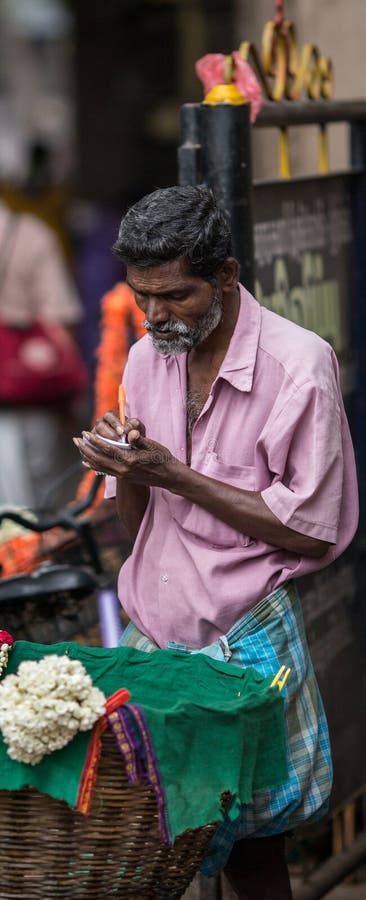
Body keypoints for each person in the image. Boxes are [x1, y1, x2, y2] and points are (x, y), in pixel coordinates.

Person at [74, 185, 359, 900]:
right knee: (145, 848)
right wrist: (127, 460)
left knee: (253, 852)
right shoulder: (147, 359)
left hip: (245, 638)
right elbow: (138, 526)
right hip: (157, 635)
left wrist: (174, 473)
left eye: (174, 296)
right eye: (142, 298)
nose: (155, 316)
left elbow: (310, 526)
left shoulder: (300, 366)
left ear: (227, 276)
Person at [0, 198, 83, 509]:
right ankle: (29, 555)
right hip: (30, 390)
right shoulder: (32, 235)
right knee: (33, 500)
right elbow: (60, 318)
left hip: (18, 397)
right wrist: (71, 391)